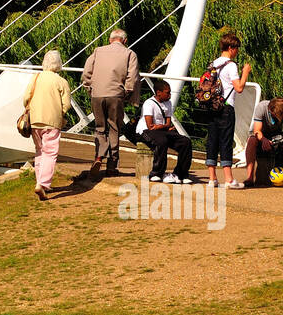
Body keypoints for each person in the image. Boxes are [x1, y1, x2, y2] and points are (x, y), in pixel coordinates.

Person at [78, 29, 140, 179]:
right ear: (124, 41)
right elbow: (132, 77)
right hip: (116, 95)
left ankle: (98, 157)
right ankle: (112, 167)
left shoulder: (98, 51)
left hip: (97, 94)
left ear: (110, 39)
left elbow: (86, 72)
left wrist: (90, 88)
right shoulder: (130, 54)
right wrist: (126, 93)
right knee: (114, 128)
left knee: (100, 128)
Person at [205, 32, 252, 189]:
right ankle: (229, 179)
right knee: (225, 141)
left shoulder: (213, 64)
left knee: (212, 140)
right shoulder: (231, 65)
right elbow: (238, 88)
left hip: (211, 107)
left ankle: (212, 178)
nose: (237, 51)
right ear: (231, 48)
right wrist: (245, 73)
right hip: (225, 108)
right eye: (237, 48)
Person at [26, 50, 72, 201]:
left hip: (35, 119)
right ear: (59, 64)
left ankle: (39, 179)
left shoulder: (36, 77)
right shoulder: (61, 81)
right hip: (52, 121)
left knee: (39, 151)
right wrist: (60, 113)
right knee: (50, 152)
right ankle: (43, 184)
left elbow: (26, 98)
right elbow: (66, 104)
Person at [137, 78, 196, 184]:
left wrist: (161, 126)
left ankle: (181, 174)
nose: (169, 95)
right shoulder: (149, 103)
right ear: (158, 93)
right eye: (167, 93)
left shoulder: (168, 103)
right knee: (161, 141)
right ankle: (156, 173)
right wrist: (163, 126)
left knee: (185, 142)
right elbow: (150, 126)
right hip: (146, 131)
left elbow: (168, 123)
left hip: (161, 130)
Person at [245, 96, 283, 182]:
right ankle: (249, 178)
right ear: (270, 110)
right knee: (251, 140)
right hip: (260, 135)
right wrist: (263, 140)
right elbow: (257, 131)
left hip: (276, 134)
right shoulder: (261, 107)